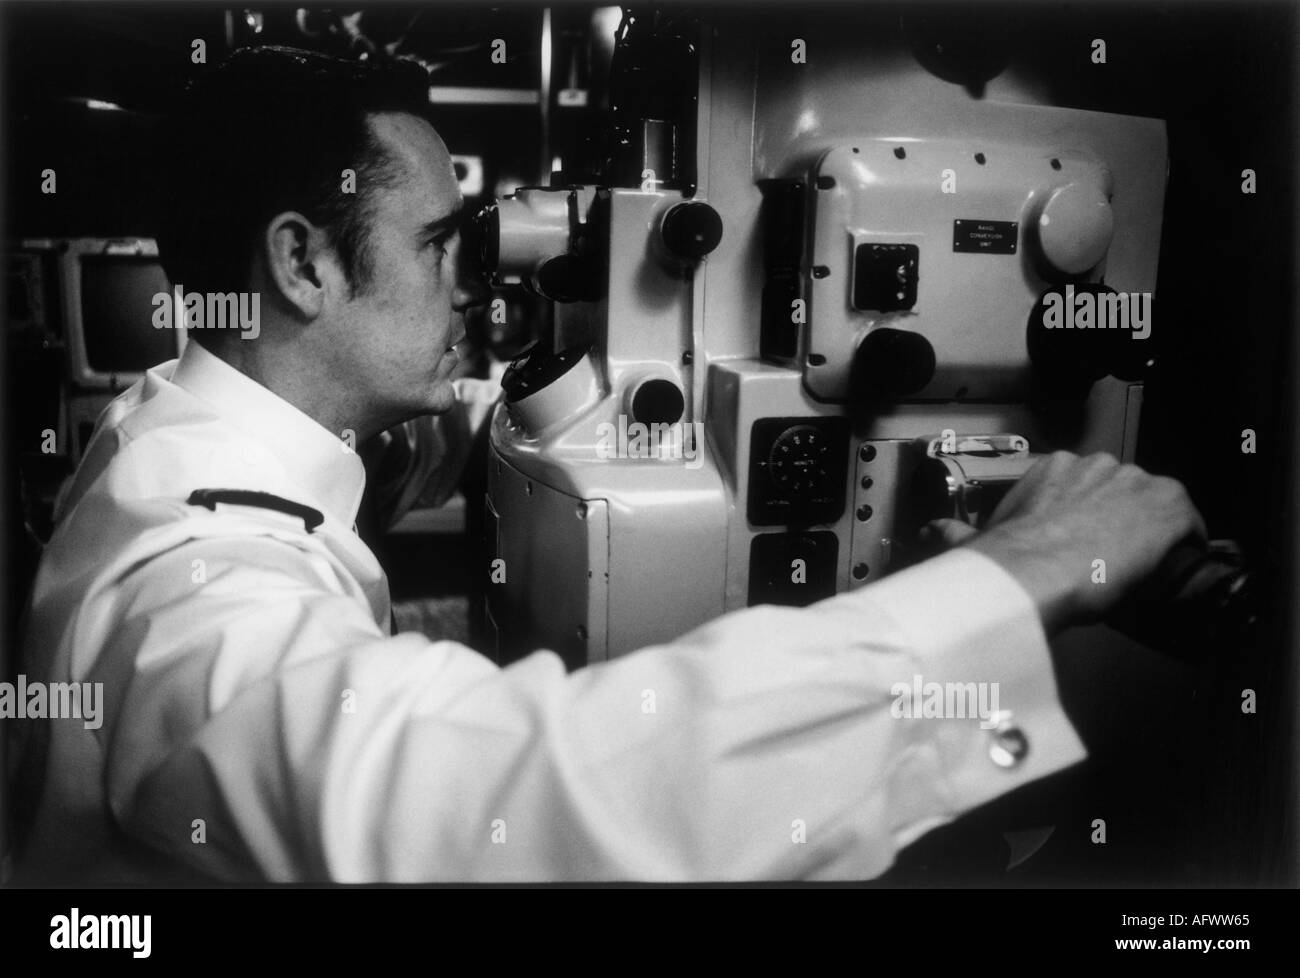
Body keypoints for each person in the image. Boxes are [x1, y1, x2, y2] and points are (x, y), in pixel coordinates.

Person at [10, 46, 1205, 883]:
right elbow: (504, 809)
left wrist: (476, 426)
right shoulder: (196, 595)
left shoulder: (173, 434)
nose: (467, 281)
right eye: (434, 246)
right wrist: (1020, 571)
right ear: (304, 265)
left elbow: (369, 470)